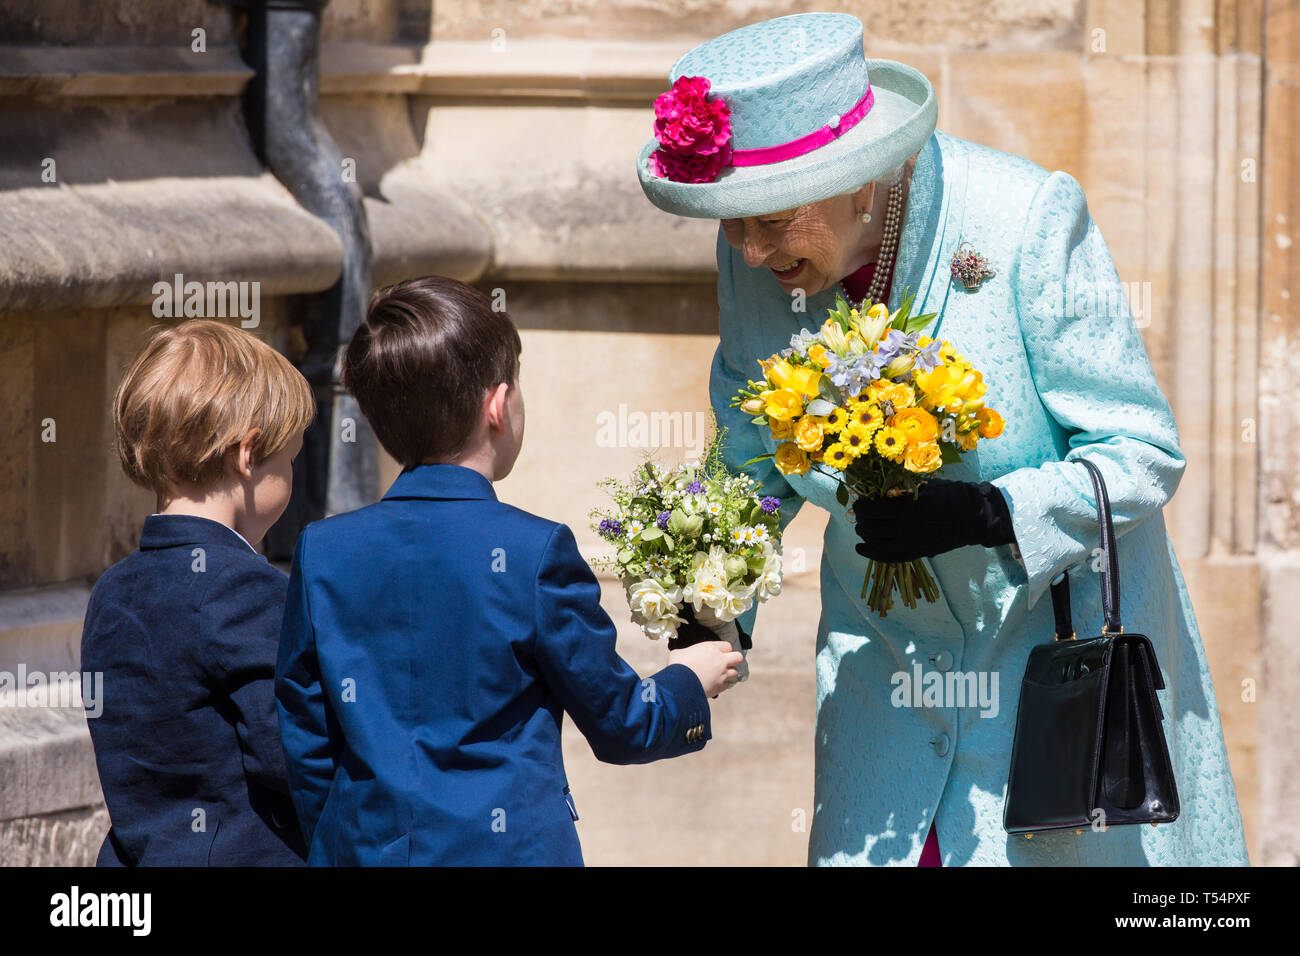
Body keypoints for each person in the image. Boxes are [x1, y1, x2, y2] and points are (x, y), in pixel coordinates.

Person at [636, 11, 1250, 866]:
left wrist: (990, 512)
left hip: (1049, 677)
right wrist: (711, 604)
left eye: (769, 221)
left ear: (860, 179)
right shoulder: (755, 260)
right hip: (882, 680)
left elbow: (1140, 452)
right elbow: (748, 460)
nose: (745, 251)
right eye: (731, 223)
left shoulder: (1025, 217)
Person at [275, 276, 741, 866]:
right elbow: (623, 723)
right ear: (498, 405)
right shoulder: (535, 552)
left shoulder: (324, 549)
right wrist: (689, 679)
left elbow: (307, 739)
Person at [81, 319, 313, 865]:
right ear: (249, 454)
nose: (293, 475)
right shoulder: (245, 586)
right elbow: (289, 755)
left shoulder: (111, 591)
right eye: (292, 458)